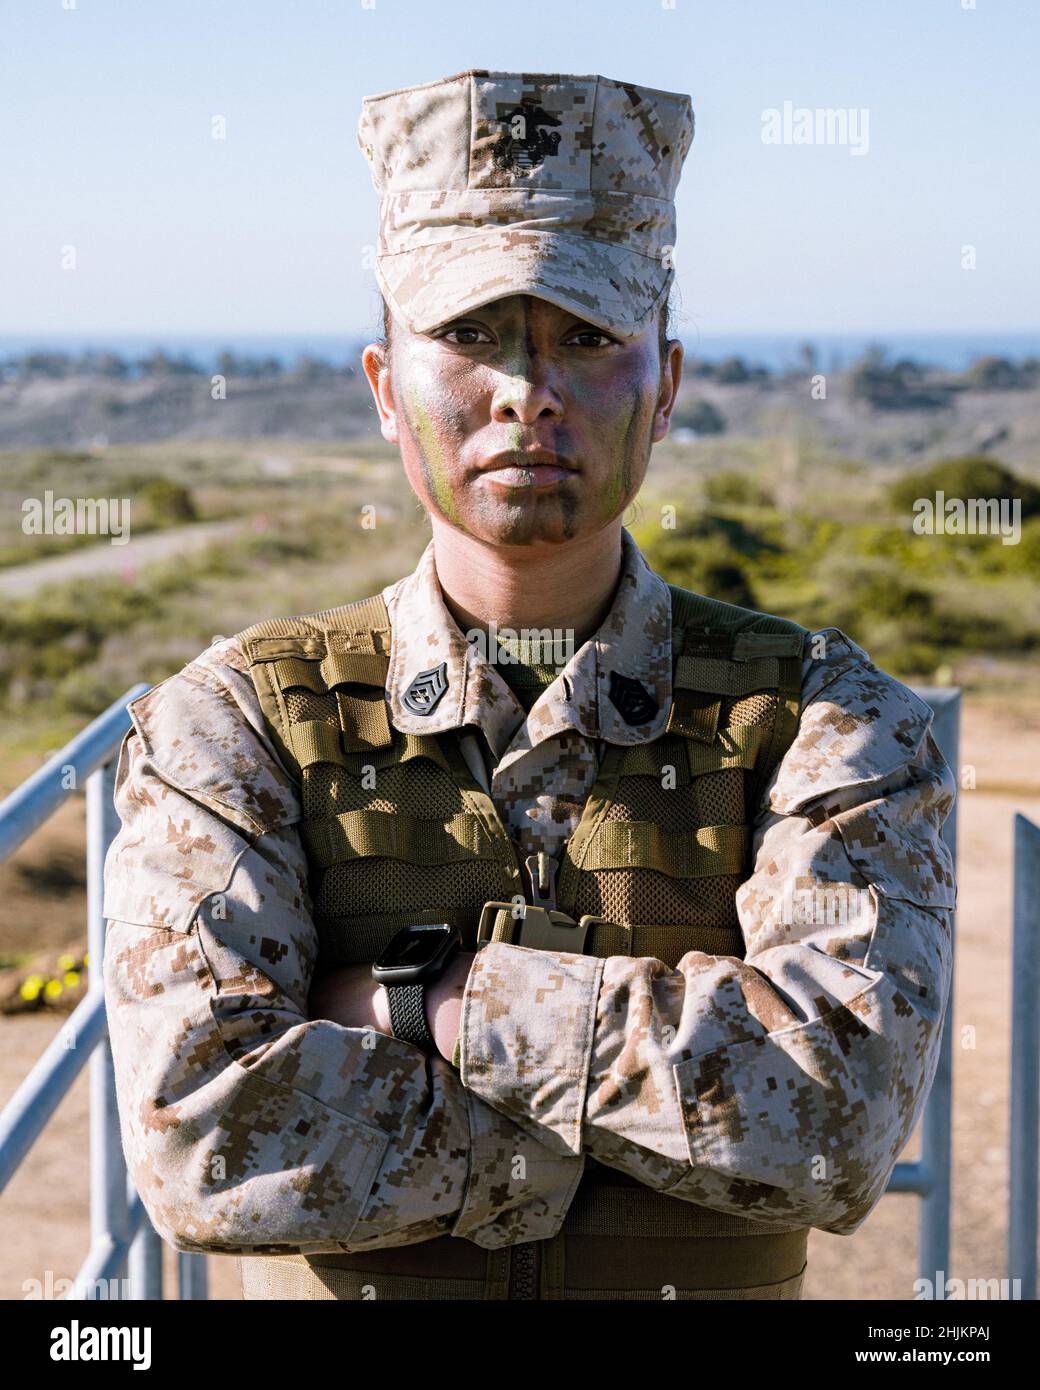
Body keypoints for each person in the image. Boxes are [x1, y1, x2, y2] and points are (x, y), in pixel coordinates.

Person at [102, 68, 956, 1301]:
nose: (525, 391)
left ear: (662, 386)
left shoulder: (820, 721)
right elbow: (205, 1141)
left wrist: (437, 1008)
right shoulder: (234, 721)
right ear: (387, 389)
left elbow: (835, 1124)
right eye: (467, 335)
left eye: (587, 336)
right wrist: (655, 1105)